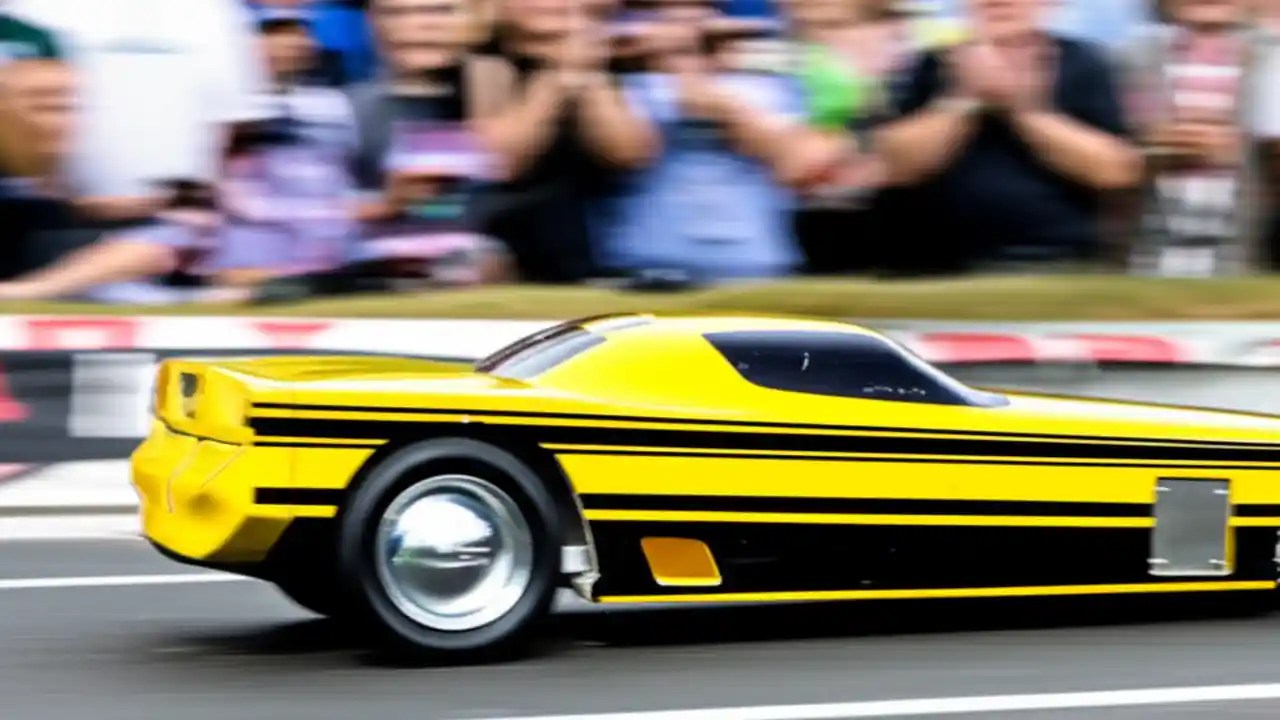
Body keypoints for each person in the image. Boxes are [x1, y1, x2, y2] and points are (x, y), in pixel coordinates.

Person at [875, 0, 1142, 273]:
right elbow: (894, 166)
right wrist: (961, 100)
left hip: (1055, 263)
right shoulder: (930, 64)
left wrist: (1024, 111)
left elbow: (1115, 171)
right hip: (931, 265)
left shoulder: (1084, 62)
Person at [597, 12, 837, 282]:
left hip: (755, 266)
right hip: (648, 264)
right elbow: (625, 155)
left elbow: (799, 167)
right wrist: (675, 73)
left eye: (704, 45)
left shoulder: (771, 86)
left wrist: (730, 111)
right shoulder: (632, 87)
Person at [1119, 0, 1280, 275]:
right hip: (1143, 259)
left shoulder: (1271, 56)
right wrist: (1158, 151)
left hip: (1247, 261)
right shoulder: (1132, 57)